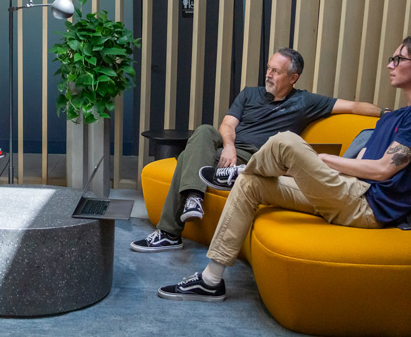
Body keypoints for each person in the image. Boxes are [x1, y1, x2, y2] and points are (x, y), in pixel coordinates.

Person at [158, 37, 411, 301]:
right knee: (251, 185)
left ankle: (243, 170)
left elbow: (384, 170)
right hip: (348, 190)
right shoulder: (395, 116)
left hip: (368, 205)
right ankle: (210, 280)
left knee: (285, 140)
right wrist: (311, 167)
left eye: (398, 59)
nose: (390, 65)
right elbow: (362, 158)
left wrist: (318, 161)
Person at [131, 47, 383, 252]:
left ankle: (169, 233)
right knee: (206, 130)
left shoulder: (305, 102)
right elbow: (228, 124)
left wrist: (390, 114)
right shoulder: (250, 94)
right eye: (268, 69)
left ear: (293, 78)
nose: (269, 74)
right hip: (230, 153)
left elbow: (353, 107)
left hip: (259, 160)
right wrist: (228, 146)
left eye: (276, 71)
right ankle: (193, 199)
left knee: (187, 156)